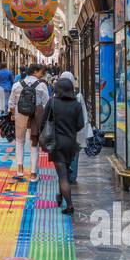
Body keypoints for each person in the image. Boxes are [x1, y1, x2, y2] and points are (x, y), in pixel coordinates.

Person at [45, 76, 86, 214]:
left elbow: (44, 121)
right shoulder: (77, 105)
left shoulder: (52, 103)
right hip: (71, 143)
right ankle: (60, 196)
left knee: (62, 175)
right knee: (64, 171)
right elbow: (80, 125)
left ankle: (69, 205)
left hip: (56, 143)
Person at [8, 63, 50, 180]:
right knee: (34, 144)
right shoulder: (42, 85)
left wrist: (12, 115)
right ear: (35, 72)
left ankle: (20, 169)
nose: (42, 75)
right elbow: (47, 103)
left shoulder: (17, 85)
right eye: (41, 72)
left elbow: (11, 103)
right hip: (35, 116)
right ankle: (33, 173)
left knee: (19, 141)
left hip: (20, 114)